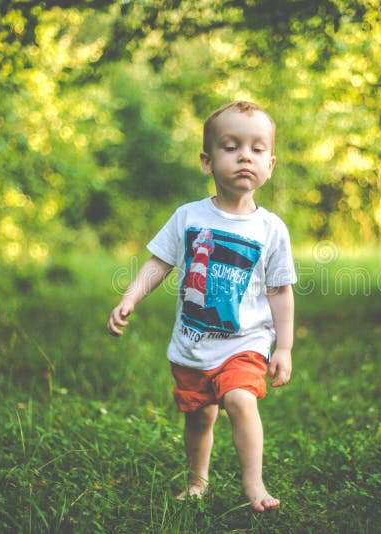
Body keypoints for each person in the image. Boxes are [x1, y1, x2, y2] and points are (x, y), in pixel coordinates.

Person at [107, 101, 296, 512]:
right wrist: (130, 295)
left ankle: (254, 484)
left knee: (240, 400)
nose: (246, 155)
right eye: (232, 147)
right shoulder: (189, 217)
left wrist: (282, 347)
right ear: (208, 162)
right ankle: (197, 481)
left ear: (271, 164)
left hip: (246, 341)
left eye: (257, 149)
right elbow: (159, 262)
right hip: (194, 344)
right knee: (199, 416)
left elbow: (280, 291)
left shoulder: (270, 229)